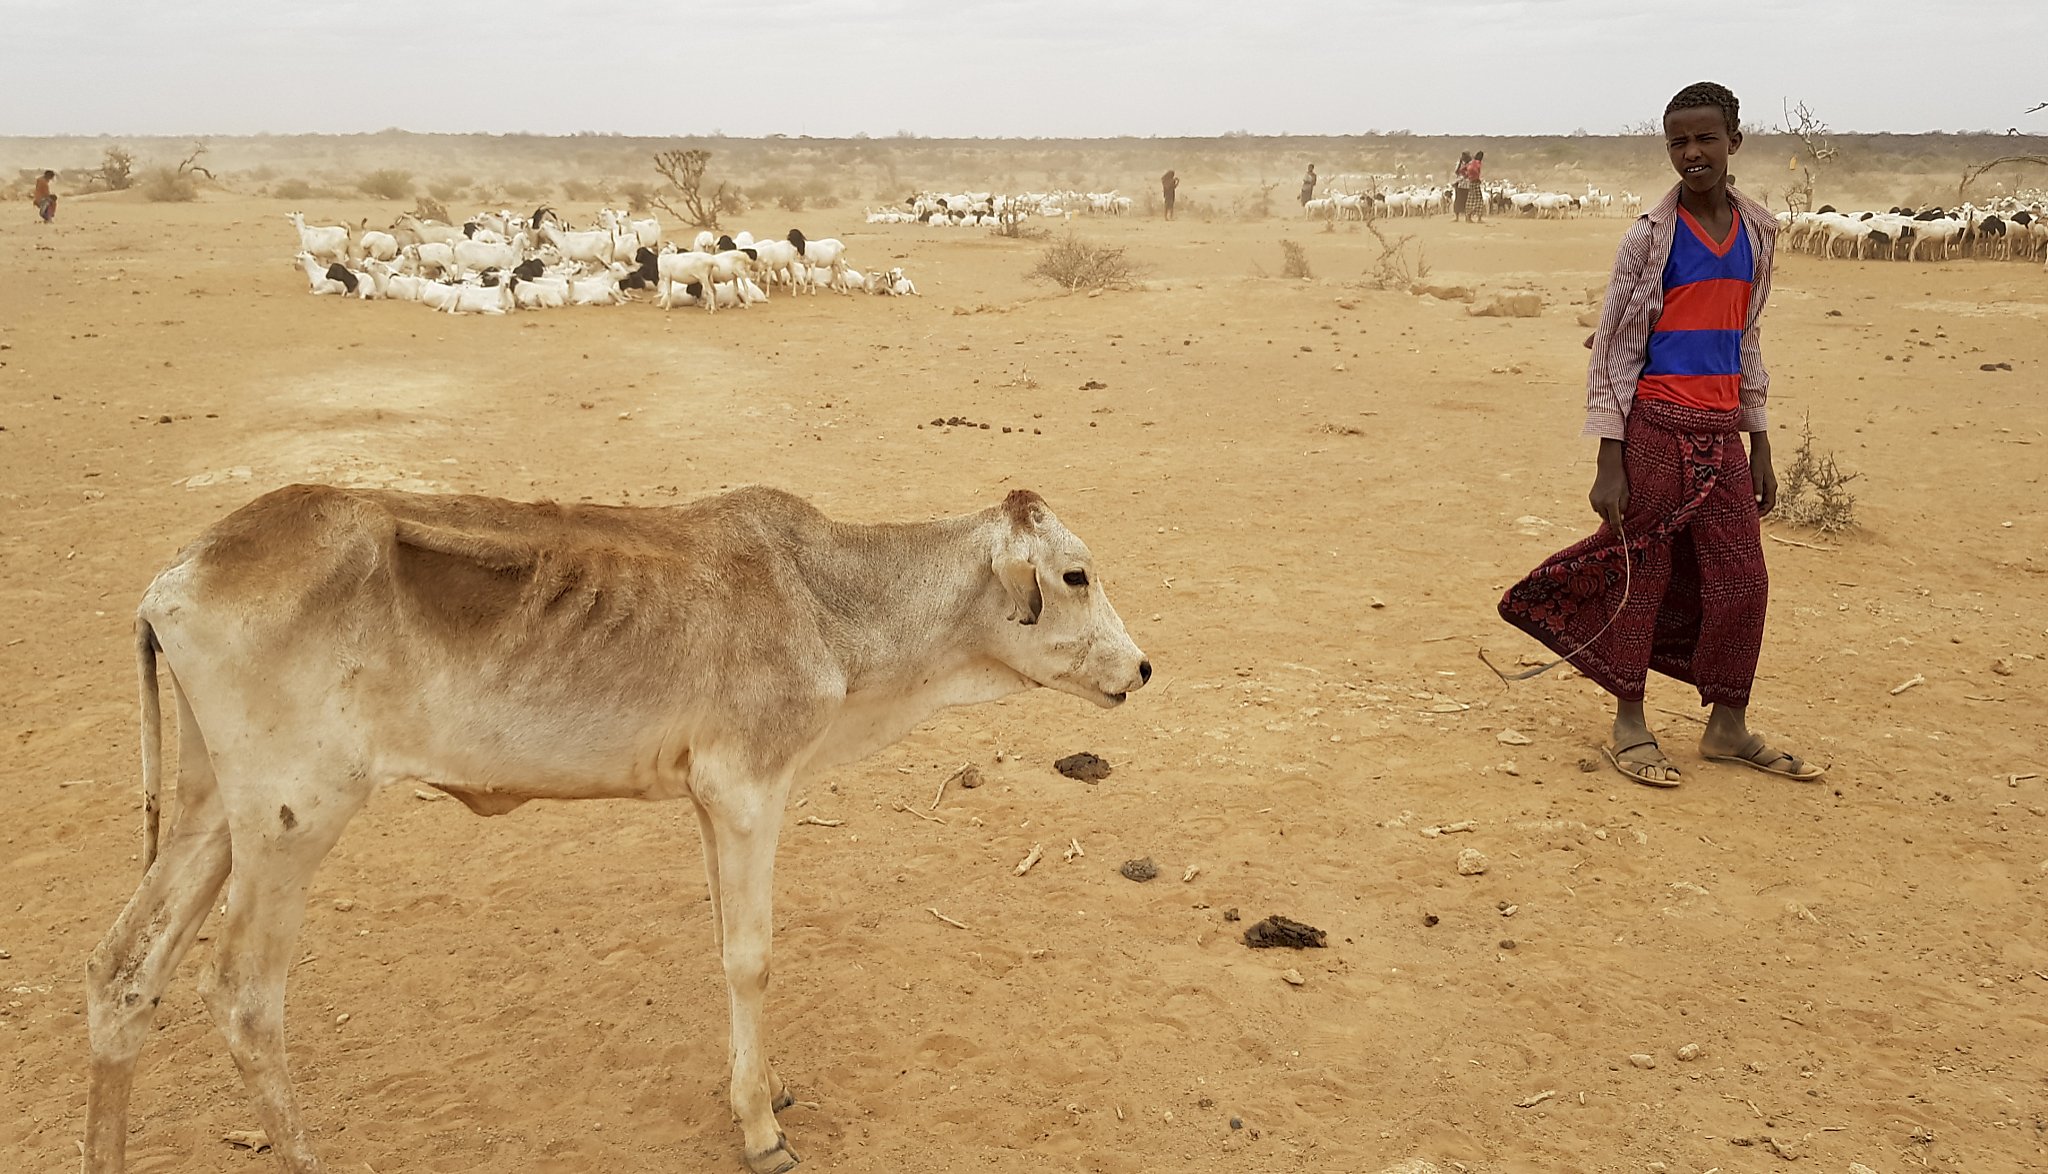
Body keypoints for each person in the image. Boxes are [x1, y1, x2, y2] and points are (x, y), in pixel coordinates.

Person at [1496, 81, 1822, 788]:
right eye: (1678, 141)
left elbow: (1746, 339)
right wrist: (1607, 460)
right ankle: (1629, 721)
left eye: (1706, 138)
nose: (1692, 153)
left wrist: (1759, 441)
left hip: (1722, 435)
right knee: (1643, 576)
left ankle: (1727, 726)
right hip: (1655, 430)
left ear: (1734, 142)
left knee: (1744, 582)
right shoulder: (1649, 238)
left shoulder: (1759, 231)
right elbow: (1613, 350)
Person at [1463, 151, 1485, 222]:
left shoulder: (1471, 162)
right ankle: (1479, 219)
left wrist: (1468, 176)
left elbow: (1462, 170)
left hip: (1471, 183)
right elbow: (1475, 170)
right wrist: (1477, 178)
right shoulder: (1478, 163)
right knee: (1479, 200)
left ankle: (1468, 217)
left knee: (1470, 200)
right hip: (1475, 183)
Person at [1451, 151, 1473, 219]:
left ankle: (1465, 217)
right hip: (1462, 184)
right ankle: (1460, 217)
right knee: (1461, 200)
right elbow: (1456, 171)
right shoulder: (1461, 163)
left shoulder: (1469, 163)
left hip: (1464, 184)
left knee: (1464, 201)